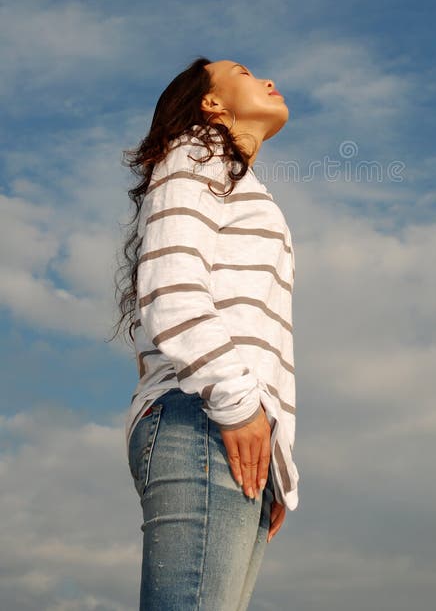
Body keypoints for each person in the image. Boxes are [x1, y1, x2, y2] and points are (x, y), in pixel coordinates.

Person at [112, 56, 299, 611]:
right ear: (210, 104)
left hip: (224, 428)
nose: (267, 79)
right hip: (204, 419)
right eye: (243, 72)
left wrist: (277, 460)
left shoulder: (235, 178)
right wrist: (240, 407)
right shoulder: (197, 151)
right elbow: (171, 291)